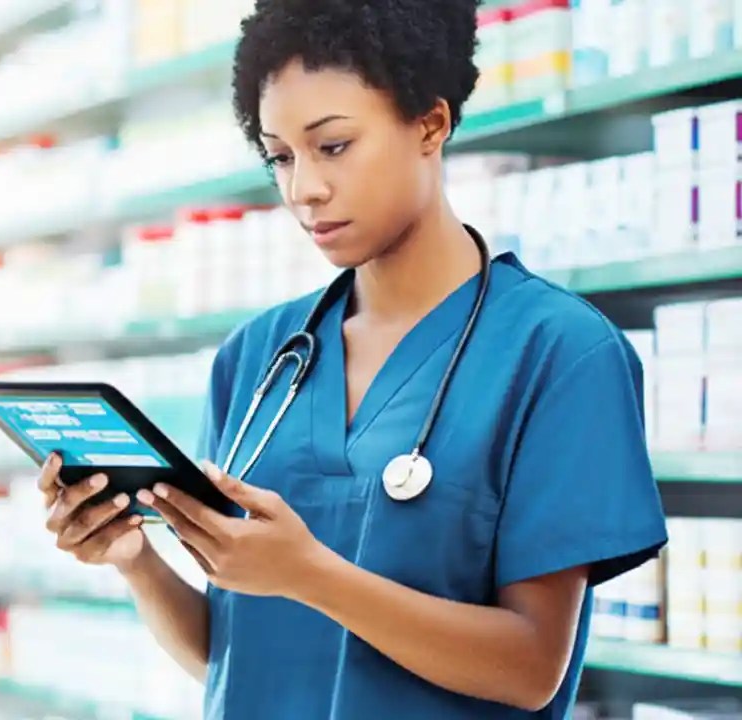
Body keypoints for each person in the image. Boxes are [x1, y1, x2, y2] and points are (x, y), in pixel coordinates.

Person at [37, 0, 668, 717]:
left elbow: (531, 668)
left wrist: (312, 575)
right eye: (280, 156)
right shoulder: (257, 357)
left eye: (332, 145)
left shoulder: (559, 353)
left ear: (430, 124)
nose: (304, 189)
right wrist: (137, 563)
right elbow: (232, 655)